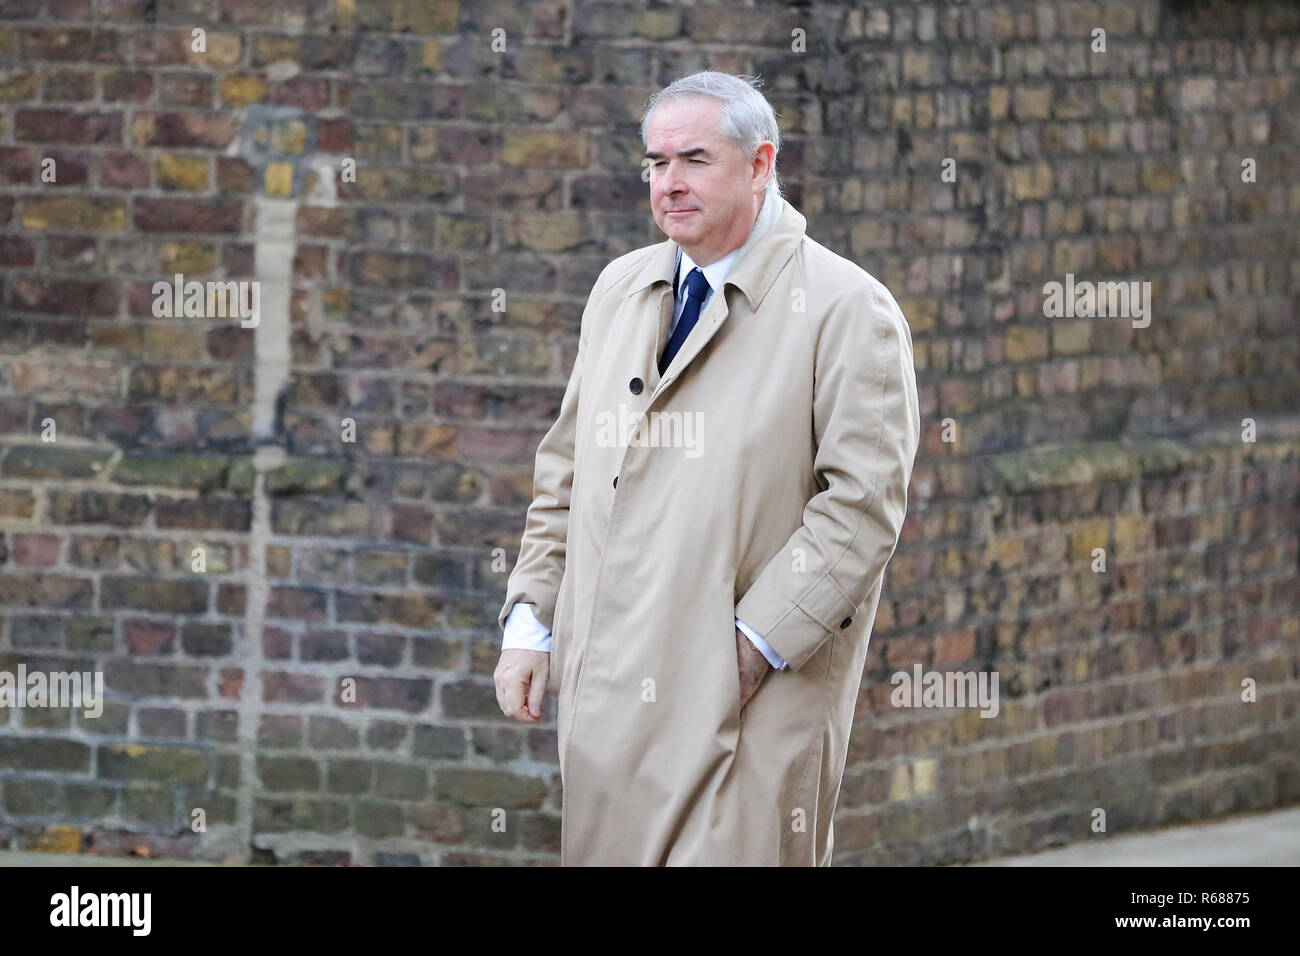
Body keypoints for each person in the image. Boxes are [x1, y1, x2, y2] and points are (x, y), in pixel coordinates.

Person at [493, 71, 920, 865]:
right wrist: (531, 622)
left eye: (694, 158)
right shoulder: (620, 288)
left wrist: (747, 653)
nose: (669, 183)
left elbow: (861, 510)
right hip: (611, 698)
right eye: (655, 162)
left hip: (751, 704)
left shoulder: (847, 309)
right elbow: (566, 473)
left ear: (761, 165)